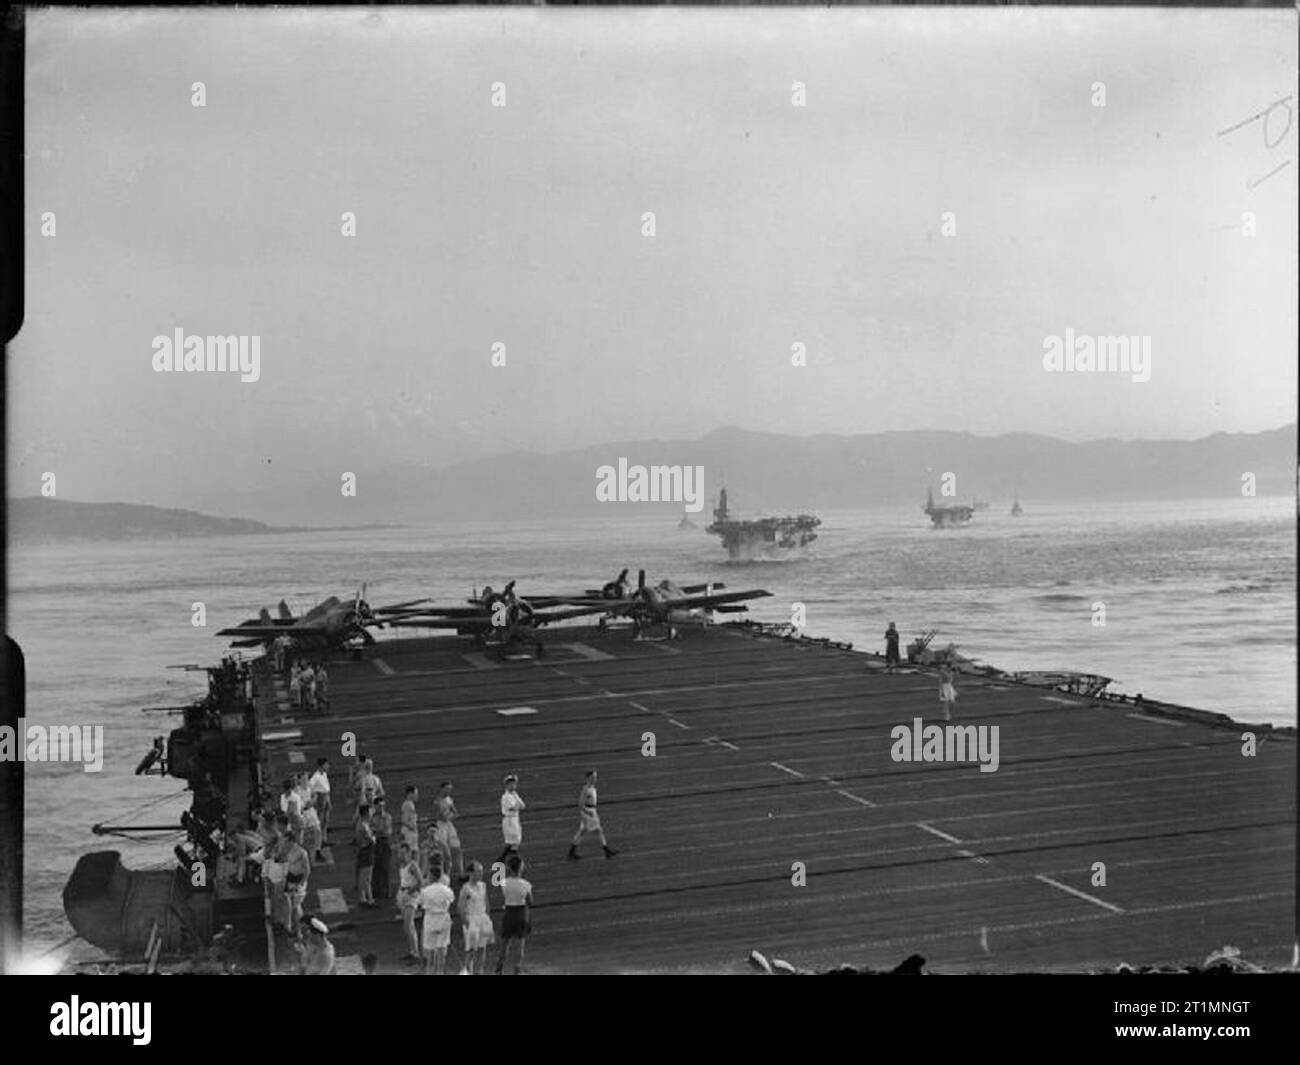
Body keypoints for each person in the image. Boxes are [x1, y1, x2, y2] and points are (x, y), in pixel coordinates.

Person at [493, 854, 533, 976]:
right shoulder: (526, 884)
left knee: (505, 944)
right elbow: (530, 901)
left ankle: (499, 969)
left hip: (508, 913)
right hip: (521, 914)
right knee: (520, 945)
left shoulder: (504, 883)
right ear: (520, 868)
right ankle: (517, 970)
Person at [567, 769, 618, 860]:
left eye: (595, 777)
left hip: (590, 811)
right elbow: (580, 804)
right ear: (588, 778)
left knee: (582, 832)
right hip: (589, 811)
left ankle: (571, 853)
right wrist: (588, 813)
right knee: (599, 830)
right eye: (593, 777)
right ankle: (606, 851)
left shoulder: (592, 788)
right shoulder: (586, 789)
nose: (595, 779)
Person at [418, 860, 456, 975]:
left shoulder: (425, 891)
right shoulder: (447, 890)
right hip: (443, 919)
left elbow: (421, 904)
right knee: (441, 951)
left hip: (430, 920)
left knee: (430, 955)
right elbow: (450, 902)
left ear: (432, 876)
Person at [458, 860, 493, 975]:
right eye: (478, 872)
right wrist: (467, 924)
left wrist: (487, 919)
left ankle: (479, 973)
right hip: (471, 919)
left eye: (481, 872)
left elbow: (486, 902)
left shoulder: (483, 886)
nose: (480, 874)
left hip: (482, 919)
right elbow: (460, 907)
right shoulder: (466, 889)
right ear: (471, 873)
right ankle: (467, 972)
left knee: (482, 949)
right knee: (471, 950)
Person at [396, 841, 424, 963]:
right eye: (399, 853)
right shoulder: (402, 866)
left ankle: (416, 953)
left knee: (408, 925)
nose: (400, 856)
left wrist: (409, 891)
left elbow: (420, 882)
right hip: (404, 894)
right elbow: (403, 881)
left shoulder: (413, 866)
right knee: (407, 926)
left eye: (402, 853)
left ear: (408, 853)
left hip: (411, 896)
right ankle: (413, 951)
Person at [281, 827, 311, 936]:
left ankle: (299, 930)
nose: (284, 843)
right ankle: (289, 926)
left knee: (296, 905)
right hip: (290, 878)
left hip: (299, 879)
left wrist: (300, 884)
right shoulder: (286, 851)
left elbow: (307, 870)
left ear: (291, 841)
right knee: (288, 903)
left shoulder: (302, 853)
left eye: (285, 841)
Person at [434, 781, 464, 878]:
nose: (449, 791)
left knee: (457, 848)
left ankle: (461, 873)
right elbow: (443, 817)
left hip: (449, 825)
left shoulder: (449, 799)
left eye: (450, 789)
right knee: (443, 851)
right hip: (441, 826)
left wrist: (449, 816)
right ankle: (444, 874)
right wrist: (450, 815)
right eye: (447, 788)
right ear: (442, 789)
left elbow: (455, 813)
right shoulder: (437, 801)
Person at [498, 773, 525, 863]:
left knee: (514, 842)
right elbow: (513, 807)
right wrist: (518, 806)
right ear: (507, 785)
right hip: (509, 820)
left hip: (515, 819)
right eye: (511, 784)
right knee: (513, 842)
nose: (513, 785)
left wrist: (518, 805)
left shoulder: (514, 795)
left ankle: (503, 860)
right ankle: (513, 860)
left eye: (514, 783)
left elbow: (522, 806)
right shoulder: (505, 797)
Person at [354, 805, 377, 908]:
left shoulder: (362, 823)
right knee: (366, 877)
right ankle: (365, 899)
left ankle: (368, 898)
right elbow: (371, 839)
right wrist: (374, 836)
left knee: (365, 876)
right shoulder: (364, 825)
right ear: (366, 813)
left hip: (364, 851)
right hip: (366, 851)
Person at [371, 797, 393, 900]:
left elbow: (386, 831)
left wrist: (377, 830)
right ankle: (376, 891)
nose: (382, 808)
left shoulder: (387, 817)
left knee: (386, 867)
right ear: (375, 806)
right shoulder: (373, 818)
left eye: (383, 806)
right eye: (380, 806)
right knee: (376, 868)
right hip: (377, 843)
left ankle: (386, 891)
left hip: (384, 842)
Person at [309, 758, 332, 853]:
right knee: (321, 819)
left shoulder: (324, 774)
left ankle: (324, 839)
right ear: (322, 765)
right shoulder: (316, 776)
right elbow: (310, 786)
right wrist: (315, 796)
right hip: (321, 796)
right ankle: (320, 840)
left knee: (326, 819)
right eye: (326, 764)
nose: (328, 766)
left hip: (326, 795)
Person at [400, 784, 420, 856]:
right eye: (416, 793)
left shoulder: (411, 804)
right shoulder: (407, 804)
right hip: (409, 833)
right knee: (410, 855)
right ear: (410, 794)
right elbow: (404, 820)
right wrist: (413, 827)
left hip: (412, 832)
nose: (417, 796)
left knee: (414, 854)